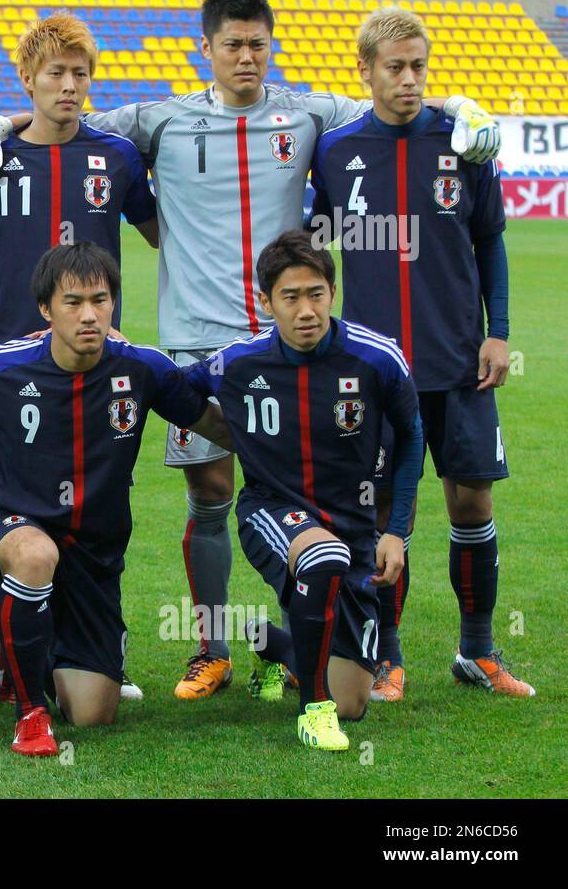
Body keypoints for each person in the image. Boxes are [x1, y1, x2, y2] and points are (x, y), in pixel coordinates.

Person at [0, 0, 502, 703]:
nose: (246, 57)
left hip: (288, 337)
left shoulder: (310, 113)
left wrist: (464, 109)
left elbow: (394, 106)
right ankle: (212, 646)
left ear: (270, 47)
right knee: (210, 493)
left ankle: (304, 645)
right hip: (197, 342)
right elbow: (63, 111)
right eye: (232, 45)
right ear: (205, 49)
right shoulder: (159, 121)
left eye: (257, 44)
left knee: (316, 493)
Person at [0, 243, 229, 756]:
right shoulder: (3, 368)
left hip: (94, 552)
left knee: (92, 714)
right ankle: (30, 715)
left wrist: (290, 444)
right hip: (18, 525)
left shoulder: (142, 369)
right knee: (36, 557)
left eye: (100, 299)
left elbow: (215, 426)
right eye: (73, 302)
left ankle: (17, 650)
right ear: (45, 309)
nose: (89, 315)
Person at [310, 6, 532, 698]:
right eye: (395, 67)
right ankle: (386, 658)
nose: (409, 80)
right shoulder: (337, 151)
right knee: (377, 514)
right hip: (375, 371)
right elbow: (313, 245)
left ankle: (477, 652)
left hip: (460, 361)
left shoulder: (462, 144)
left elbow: (490, 238)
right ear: (366, 70)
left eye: (419, 67)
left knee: (471, 504)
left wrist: (498, 331)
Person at [0, 12, 156, 705]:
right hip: (11, 367)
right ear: (28, 79)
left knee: (103, 507)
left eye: (79, 74)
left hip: (97, 370)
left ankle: (109, 651)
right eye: (55, 74)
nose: (68, 86)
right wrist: (7, 264)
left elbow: (156, 228)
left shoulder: (117, 157)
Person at [184, 230, 423, 750]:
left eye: (316, 293)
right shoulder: (238, 361)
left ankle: (269, 642)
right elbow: (174, 389)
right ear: (266, 302)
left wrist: (396, 532)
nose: (306, 310)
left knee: (354, 703)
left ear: (332, 294)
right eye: (290, 297)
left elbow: (411, 437)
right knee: (321, 557)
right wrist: (228, 434)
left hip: (355, 528)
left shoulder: (378, 358)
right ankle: (313, 713)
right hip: (272, 512)